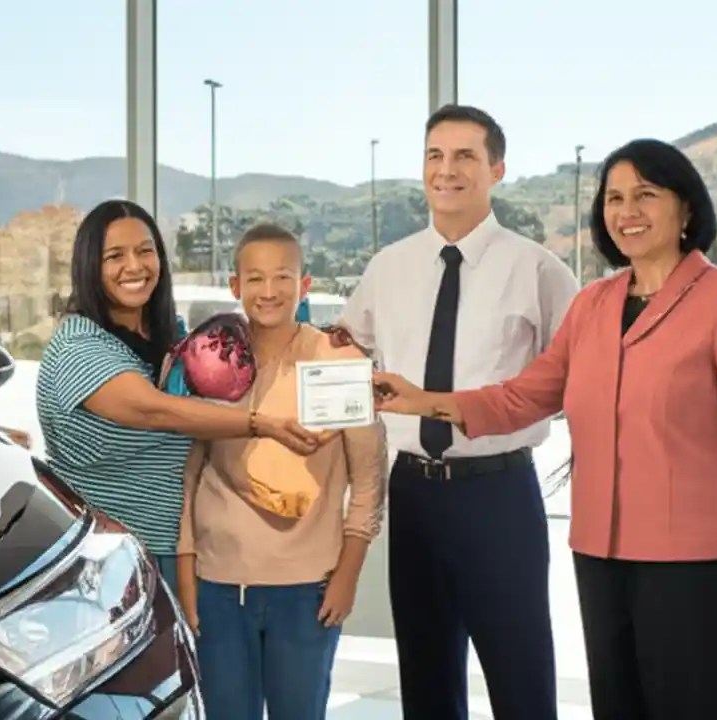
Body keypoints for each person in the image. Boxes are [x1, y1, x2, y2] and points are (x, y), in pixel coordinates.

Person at [372, 137, 717, 720]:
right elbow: (527, 396)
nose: (627, 211)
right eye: (615, 198)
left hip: (693, 563)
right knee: (615, 707)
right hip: (600, 551)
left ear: (687, 209)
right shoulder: (594, 304)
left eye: (646, 195)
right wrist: (426, 401)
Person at [331, 103, 578, 720]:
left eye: (465, 156)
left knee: (521, 677)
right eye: (435, 156)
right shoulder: (388, 268)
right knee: (426, 679)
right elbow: (340, 350)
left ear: (496, 169)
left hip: (499, 495)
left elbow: (573, 376)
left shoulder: (539, 270)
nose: (447, 170)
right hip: (413, 493)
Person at [35, 200, 326, 589]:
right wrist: (260, 425)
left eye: (145, 251)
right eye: (115, 256)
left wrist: (321, 341)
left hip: (191, 551)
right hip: (111, 563)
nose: (135, 266)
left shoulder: (170, 336)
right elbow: (155, 411)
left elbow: (242, 374)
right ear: (90, 266)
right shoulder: (77, 344)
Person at [175, 223, 386, 720]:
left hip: (307, 587)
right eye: (255, 279)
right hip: (220, 586)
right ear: (235, 287)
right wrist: (188, 572)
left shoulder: (336, 358)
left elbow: (369, 478)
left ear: (304, 285)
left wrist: (348, 575)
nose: (269, 291)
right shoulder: (211, 362)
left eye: (283, 277)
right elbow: (189, 470)